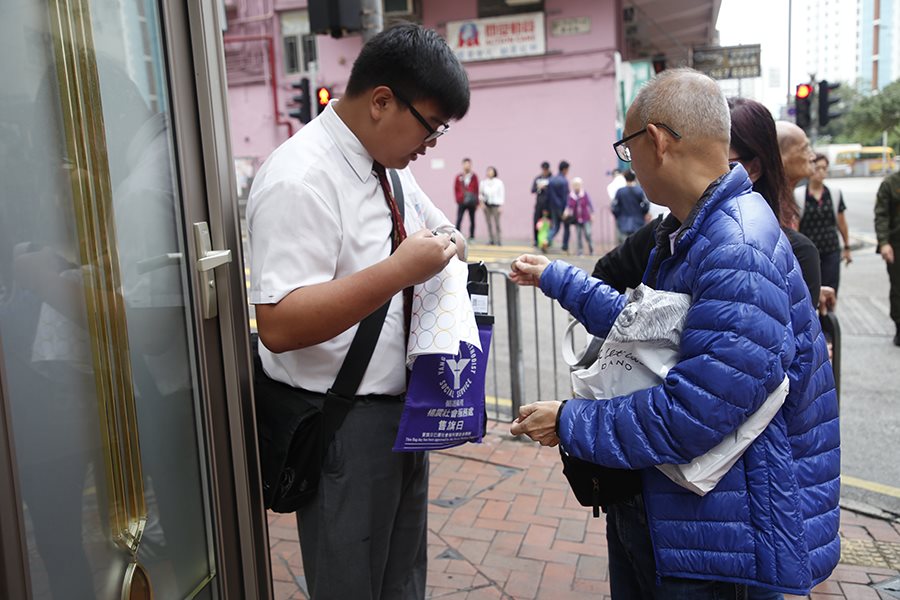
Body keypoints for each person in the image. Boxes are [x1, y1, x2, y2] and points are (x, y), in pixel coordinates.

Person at [508, 68, 839, 598]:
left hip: (717, 540)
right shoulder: (698, 229)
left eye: (627, 148)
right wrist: (557, 278)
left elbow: (695, 413)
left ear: (657, 141)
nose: (629, 163)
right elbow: (650, 328)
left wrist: (569, 420)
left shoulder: (737, 250)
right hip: (688, 518)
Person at [247, 23, 467, 599]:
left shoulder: (388, 165)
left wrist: (447, 242)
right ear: (381, 101)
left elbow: (438, 227)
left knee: (402, 581)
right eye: (430, 125)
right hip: (343, 423)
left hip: (401, 414)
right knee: (350, 584)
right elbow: (279, 323)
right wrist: (398, 271)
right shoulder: (300, 178)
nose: (432, 143)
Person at [796, 153, 852, 300]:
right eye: (818, 168)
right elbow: (795, 226)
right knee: (811, 294)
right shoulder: (799, 195)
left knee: (831, 292)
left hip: (831, 250)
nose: (821, 172)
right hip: (809, 253)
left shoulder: (834, 194)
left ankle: (829, 315)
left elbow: (841, 223)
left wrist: (847, 247)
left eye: (824, 168)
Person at [875, 170, 900, 346]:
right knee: (898, 288)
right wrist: (884, 243)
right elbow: (881, 215)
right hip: (897, 244)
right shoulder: (890, 184)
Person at [610, 169, 649, 242]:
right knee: (637, 242)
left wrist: (618, 215)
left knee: (624, 244)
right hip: (638, 220)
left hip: (623, 221)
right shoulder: (639, 190)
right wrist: (643, 212)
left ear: (625, 178)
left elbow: (614, 206)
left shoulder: (620, 191)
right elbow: (646, 204)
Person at [547, 160, 571, 251]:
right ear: (564, 169)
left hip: (553, 207)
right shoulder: (564, 181)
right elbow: (565, 196)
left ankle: (547, 240)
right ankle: (565, 245)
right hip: (562, 207)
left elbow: (549, 195)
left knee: (556, 227)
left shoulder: (551, 180)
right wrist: (565, 208)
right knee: (566, 227)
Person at [567, 176, 594, 255]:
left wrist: (592, 214)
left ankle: (591, 249)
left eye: (578, 185)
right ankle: (580, 251)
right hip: (576, 218)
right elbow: (568, 205)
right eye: (575, 185)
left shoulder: (584, 194)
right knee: (578, 235)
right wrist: (566, 212)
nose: (576, 186)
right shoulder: (571, 195)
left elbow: (589, 204)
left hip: (585, 217)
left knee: (588, 233)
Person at [454, 157, 479, 240]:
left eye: (469, 164)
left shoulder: (474, 176)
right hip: (461, 201)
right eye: (465, 164)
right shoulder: (459, 177)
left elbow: (477, 189)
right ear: (463, 165)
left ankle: (472, 236)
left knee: (472, 220)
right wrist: (458, 199)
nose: (467, 166)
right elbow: (456, 189)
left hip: (472, 202)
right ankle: (457, 236)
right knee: (459, 219)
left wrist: (477, 202)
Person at [479, 165, 505, 245]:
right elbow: (480, 194)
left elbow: (501, 194)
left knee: (497, 223)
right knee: (489, 223)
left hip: (496, 205)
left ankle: (498, 240)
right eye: (488, 171)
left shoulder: (499, 182)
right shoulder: (483, 183)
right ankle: (491, 239)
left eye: (491, 171)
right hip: (487, 205)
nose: (489, 173)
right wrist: (481, 203)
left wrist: (501, 205)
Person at [531, 161, 552, 247]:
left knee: (548, 223)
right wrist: (538, 187)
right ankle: (536, 240)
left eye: (546, 169)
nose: (545, 171)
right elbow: (532, 190)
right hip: (539, 204)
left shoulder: (551, 178)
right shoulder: (538, 178)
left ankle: (547, 240)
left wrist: (546, 188)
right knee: (536, 221)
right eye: (543, 169)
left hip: (548, 205)